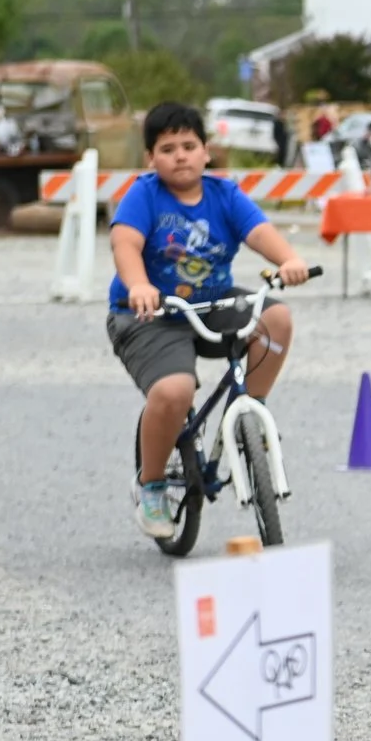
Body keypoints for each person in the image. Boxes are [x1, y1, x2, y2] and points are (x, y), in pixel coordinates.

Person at [105, 100, 312, 541]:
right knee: (175, 390)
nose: (179, 155)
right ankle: (152, 487)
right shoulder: (144, 195)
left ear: (206, 152)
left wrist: (290, 260)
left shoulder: (224, 195)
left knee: (275, 318)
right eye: (167, 149)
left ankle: (249, 414)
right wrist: (138, 284)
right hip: (151, 314)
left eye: (188, 145)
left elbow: (259, 233)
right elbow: (125, 244)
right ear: (150, 159)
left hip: (212, 302)